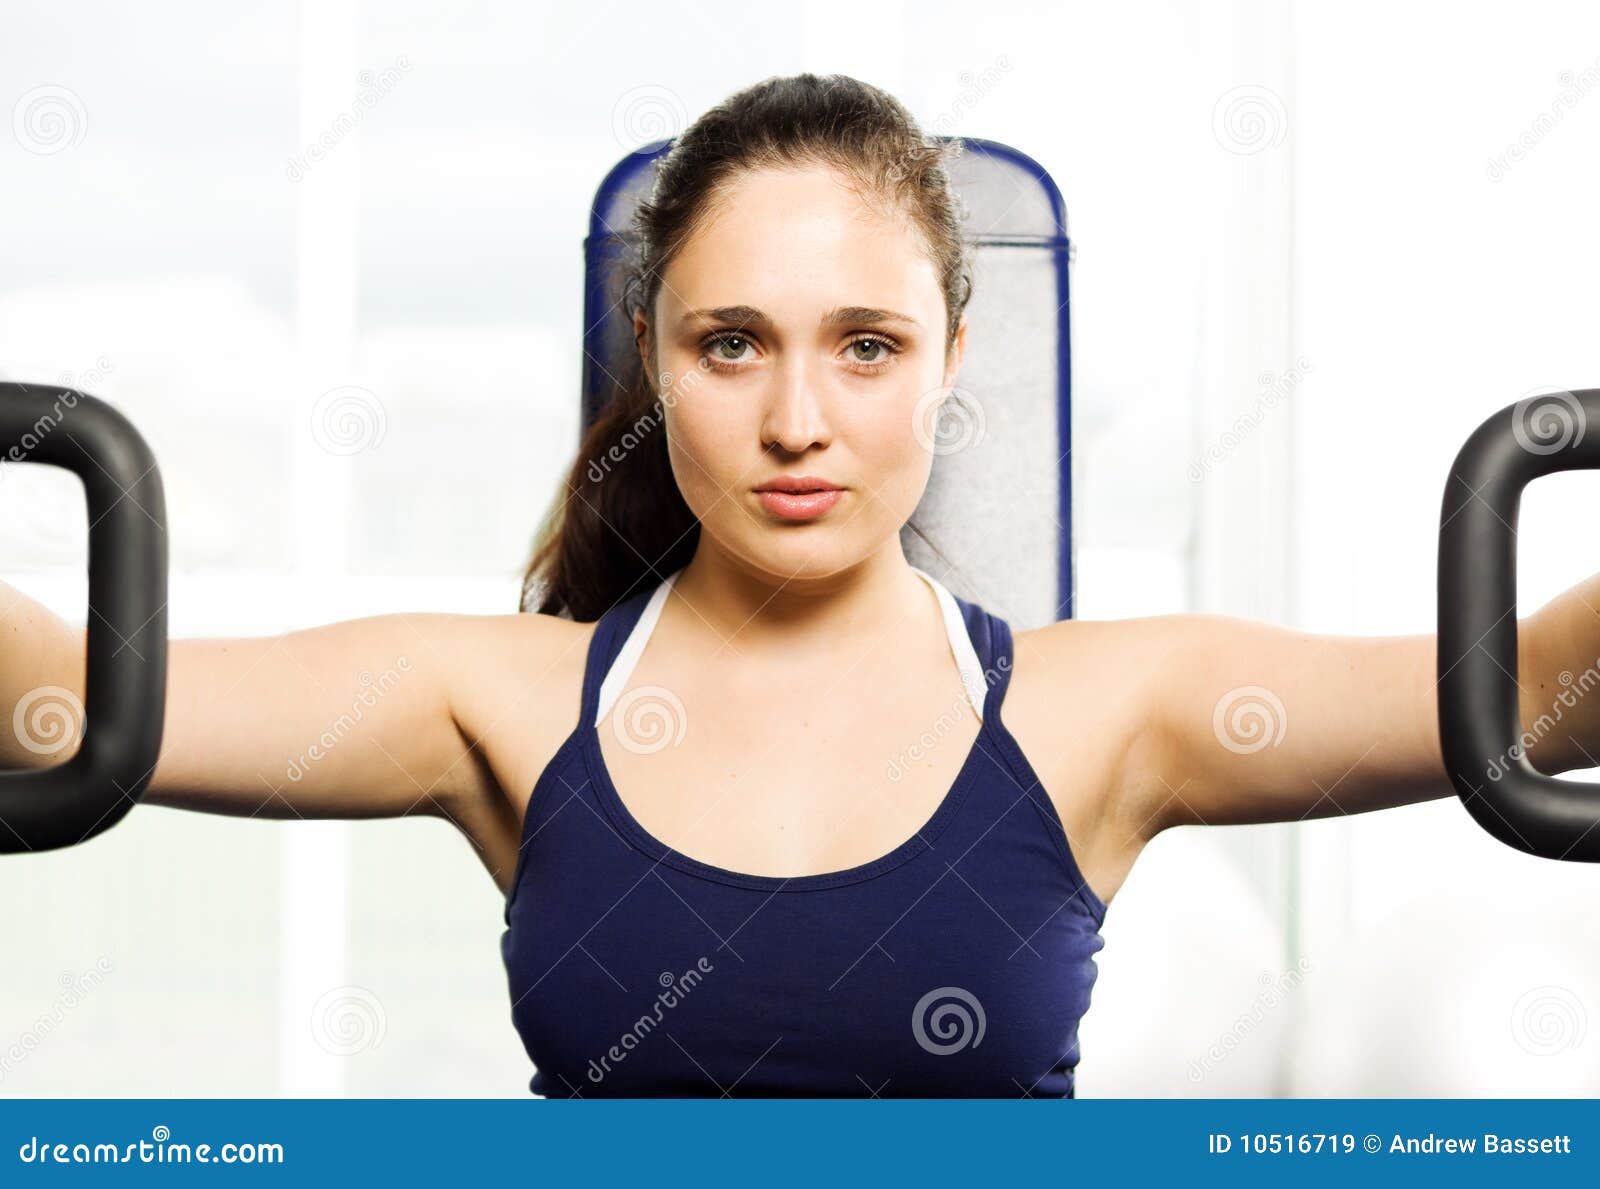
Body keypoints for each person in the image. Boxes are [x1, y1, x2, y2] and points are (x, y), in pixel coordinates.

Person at [5, 73, 1597, 1098]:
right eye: (731, 342)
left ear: (953, 362)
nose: (797, 420)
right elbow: (67, 700)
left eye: (868, 345)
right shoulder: (497, 700)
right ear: (656, 356)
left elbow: (1533, 693)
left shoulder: (1112, 709)